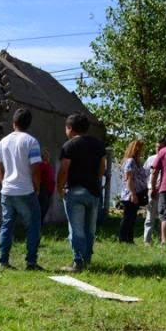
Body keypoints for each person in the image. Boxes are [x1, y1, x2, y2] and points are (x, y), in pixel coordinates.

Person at [57, 112, 107, 272]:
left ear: (70, 128)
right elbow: (102, 167)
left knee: (76, 228)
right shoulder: (98, 144)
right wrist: (95, 180)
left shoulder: (69, 146)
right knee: (90, 228)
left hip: (75, 191)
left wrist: (59, 188)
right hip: (94, 191)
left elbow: (64, 170)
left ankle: (78, 262)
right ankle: (87, 259)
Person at [0, 108, 44, 270]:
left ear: (13, 123)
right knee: (33, 226)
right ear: (29, 124)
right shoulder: (31, 141)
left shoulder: (3, 142)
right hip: (25, 190)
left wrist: (4, 184)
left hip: (7, 191)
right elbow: (36, 167)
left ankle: (3, 261)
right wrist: (36, 187)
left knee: (6, 225)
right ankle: (31, 262)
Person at [118, 140, 147, 243]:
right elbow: (129, 178)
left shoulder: (137, 162)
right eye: (141, 148)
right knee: (128, 217)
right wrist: (133, 194)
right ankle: (122, 239)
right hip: (130, 194)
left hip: (137, 192)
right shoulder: (130, 161)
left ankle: (129, 239)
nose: (143, 151)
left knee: (132, 217)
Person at [143, 137, 166, 245]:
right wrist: (148, 188)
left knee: (162, 217)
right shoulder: (150, 159)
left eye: (160, 147)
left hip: (163, 190)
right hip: (151, 190)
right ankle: (147, 241)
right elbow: (145, 174)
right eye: (156, 147)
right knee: (150, 216)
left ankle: (160, 239)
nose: (158, 149)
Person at [37, 150, 56, 226]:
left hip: (49, 189)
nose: (47, 156)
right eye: (45, 155)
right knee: (43, 207)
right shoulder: (41, 165)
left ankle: (40, 223)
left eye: (47, 155)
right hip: (43, 188)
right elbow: (38, 176)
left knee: (46, 206)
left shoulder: (48, 165)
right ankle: (39, 224)